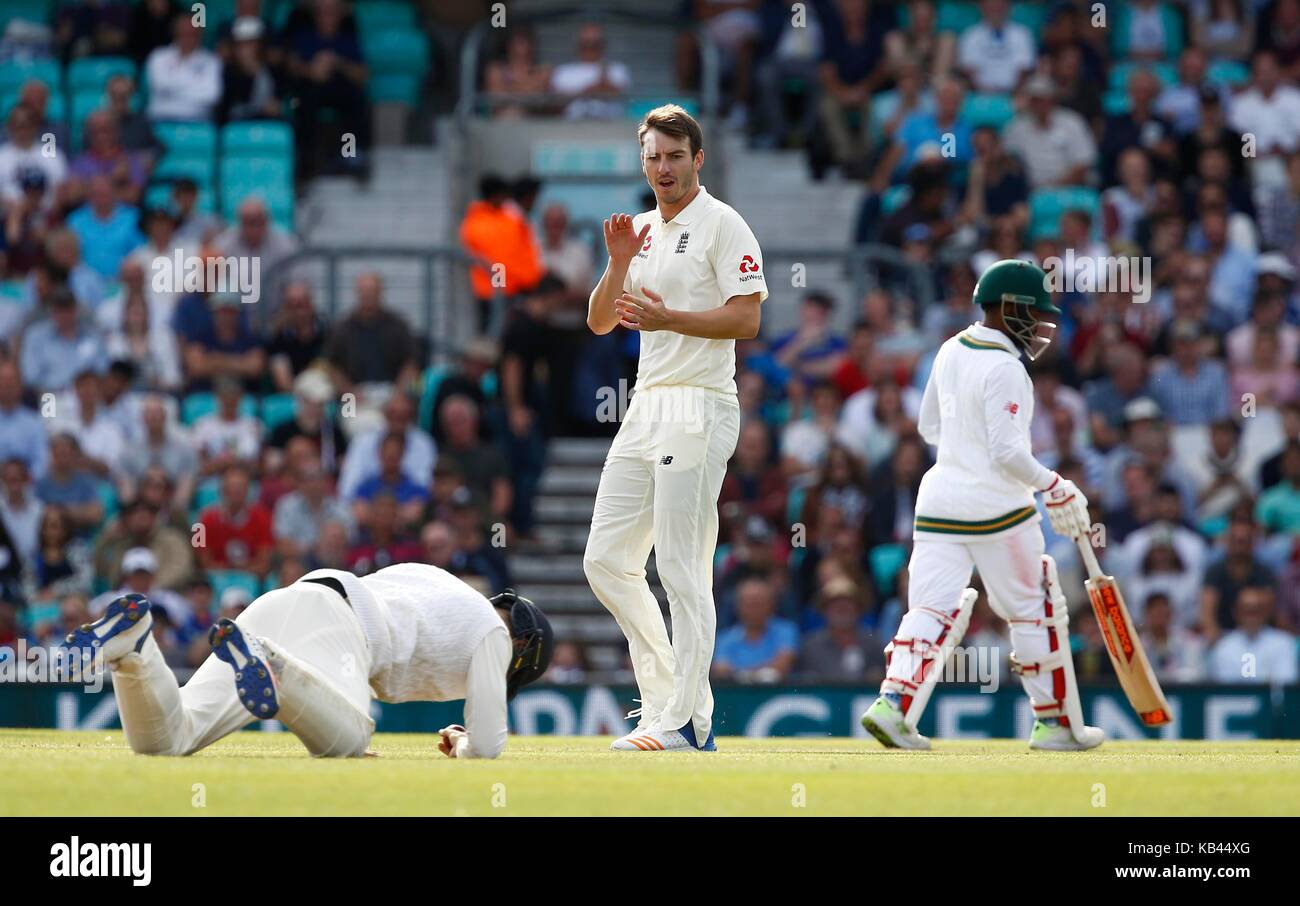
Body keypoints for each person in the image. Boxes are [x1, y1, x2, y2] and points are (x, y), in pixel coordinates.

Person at [860, 259, 1105, 752]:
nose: (1039, 326)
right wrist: (1054, 484)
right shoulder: (1006, 369)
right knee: (1034, 608)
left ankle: (892, 706)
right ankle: (1054, 724)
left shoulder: (950, 349)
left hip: (938, 500)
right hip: (997, 508)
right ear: (1010, 309)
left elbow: (928, 427)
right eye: (1034, 314)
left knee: (930, 610)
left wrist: (963, 452)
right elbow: (1008, 453)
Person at [583, 105, 766, 752]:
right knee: (605, 560)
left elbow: (747, 321)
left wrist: (672, 322)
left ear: (698, 159)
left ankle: (689, 721)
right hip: (647, 405)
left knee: (682, 567)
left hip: (700, 402)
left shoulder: (723, 224)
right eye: (653, 156)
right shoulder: (637, 231)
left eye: (675, 156)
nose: (663, 167)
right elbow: (601, 322)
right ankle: (665, 703)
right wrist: (616, 263)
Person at [63, 573, 553, 759]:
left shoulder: (443, 584)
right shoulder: (494, 635)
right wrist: (465, 741)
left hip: (286, 599)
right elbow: (488, 745)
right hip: (341, 629)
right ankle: (275, 666)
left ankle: (133, 648)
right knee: (351, 739)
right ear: (520, 651)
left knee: (167, 741)